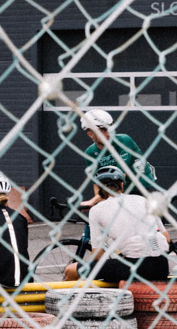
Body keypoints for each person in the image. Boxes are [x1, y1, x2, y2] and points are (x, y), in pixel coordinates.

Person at [63, 107, 155, 281]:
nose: (108, 132)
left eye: (109, 127)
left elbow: (120, 177)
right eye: (103, 129)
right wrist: (94, 199)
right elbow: (97, 180)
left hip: (141, 189)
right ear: (90, 134)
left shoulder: (124, 141)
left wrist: (98, 199)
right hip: (118, 192)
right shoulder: (91, 153)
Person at [83, 163, 173, 286]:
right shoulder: (142, 200)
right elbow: (166, 239)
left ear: (99, 188)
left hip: (133, 267)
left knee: (71, 270)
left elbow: (97, 255)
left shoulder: (96, 210)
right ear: (122, 184)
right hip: (161, 267)